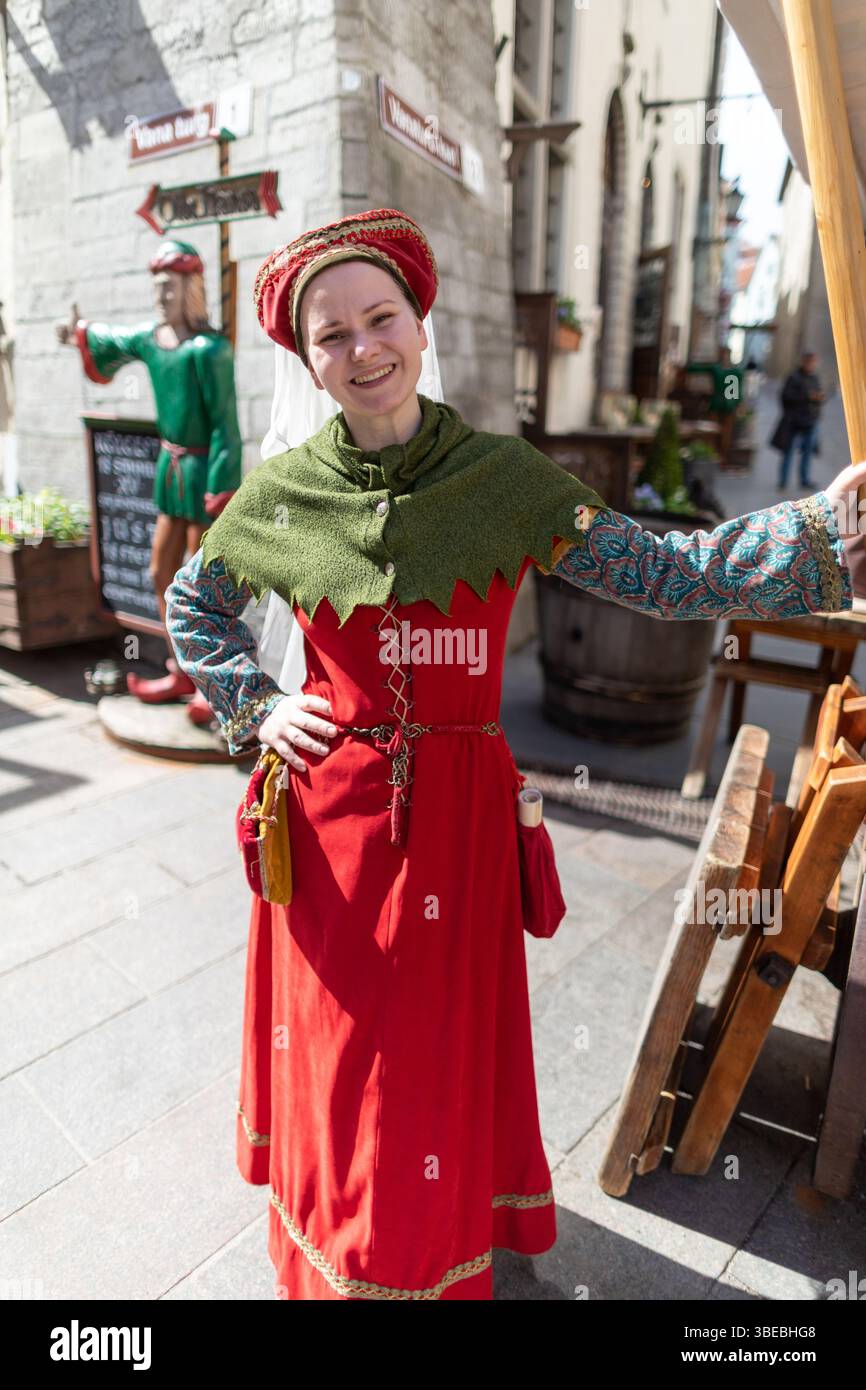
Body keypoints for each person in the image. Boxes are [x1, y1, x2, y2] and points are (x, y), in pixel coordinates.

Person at [164, 207, 866, 1302]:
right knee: (347, 1054)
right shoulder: (281, 491)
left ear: (419, 324)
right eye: (331, 335)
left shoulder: (505, 480)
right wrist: (255, 705)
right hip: (328, 821)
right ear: (306, 358)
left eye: (379, 318)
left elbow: (663, 572)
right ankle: (341, 1252)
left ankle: (427, 1242)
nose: (362, 350)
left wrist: (814, 532)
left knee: (433, 1055)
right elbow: (193, 599)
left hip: (455, 817)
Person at [56, 239, 242, 722]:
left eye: (171, 286)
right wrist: (76, 332)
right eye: (157, 286)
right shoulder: (151, 341)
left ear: (190, 288)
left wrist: (223, 487)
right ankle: (181, 667)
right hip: (171, 469)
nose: (162, 296)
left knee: (204, 585)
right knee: (162, 574)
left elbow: (226, 424)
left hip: (202, 472)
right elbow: (110, 340)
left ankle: (213, 680)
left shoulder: (209, 350)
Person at [772, 348, 826, 490]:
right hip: (794, 422)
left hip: (811, 421)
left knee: (807, 453)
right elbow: (786, 397)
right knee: (789, 452)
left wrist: (818, 398)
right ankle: (783, 481)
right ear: (804, 362)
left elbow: (818, 396)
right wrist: (807, 396)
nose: (812, 365)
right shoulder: (794, 377)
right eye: (809, 362)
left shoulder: (814, 378)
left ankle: (804, 480)